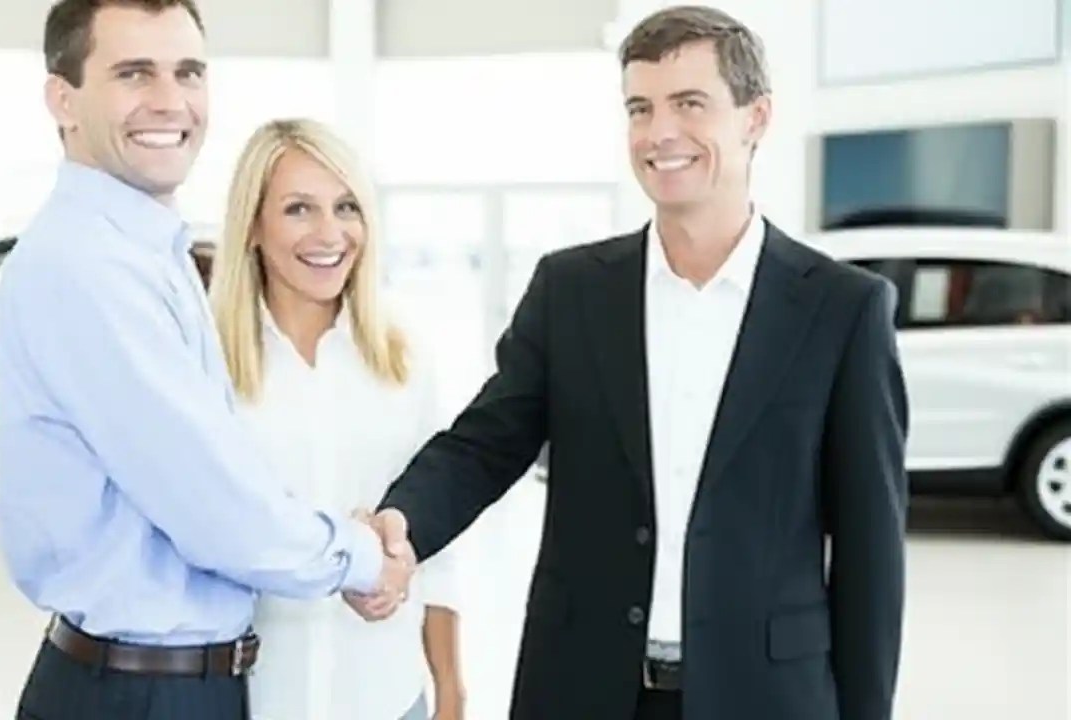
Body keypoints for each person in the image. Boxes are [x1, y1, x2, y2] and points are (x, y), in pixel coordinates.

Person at [358, 5, 910, 720]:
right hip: (583, 688)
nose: (659, 134)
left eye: (690, 104)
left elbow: (870, 555)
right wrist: (403, 522)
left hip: (768, 699)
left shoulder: (844, 310)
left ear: (756, 118)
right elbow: (484, 445)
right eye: (640, 108)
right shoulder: (572, 291)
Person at [0, 2, 411, 719]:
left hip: (172, 683)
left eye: (188, 72)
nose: (170, 101)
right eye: (133, 73)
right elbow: (214, 509)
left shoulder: (149, 252)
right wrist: (364, 558)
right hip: (137, 691)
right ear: (64, 100)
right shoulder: (88, 268)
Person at [210, 118, 467, 720]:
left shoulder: (404, 354)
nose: (330, 233)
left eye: (346, 206)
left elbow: (440, 542)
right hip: (254, 699)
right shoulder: (206, 362)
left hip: (387, 696)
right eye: (299, 209)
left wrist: (451, 692)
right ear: (252, 225)